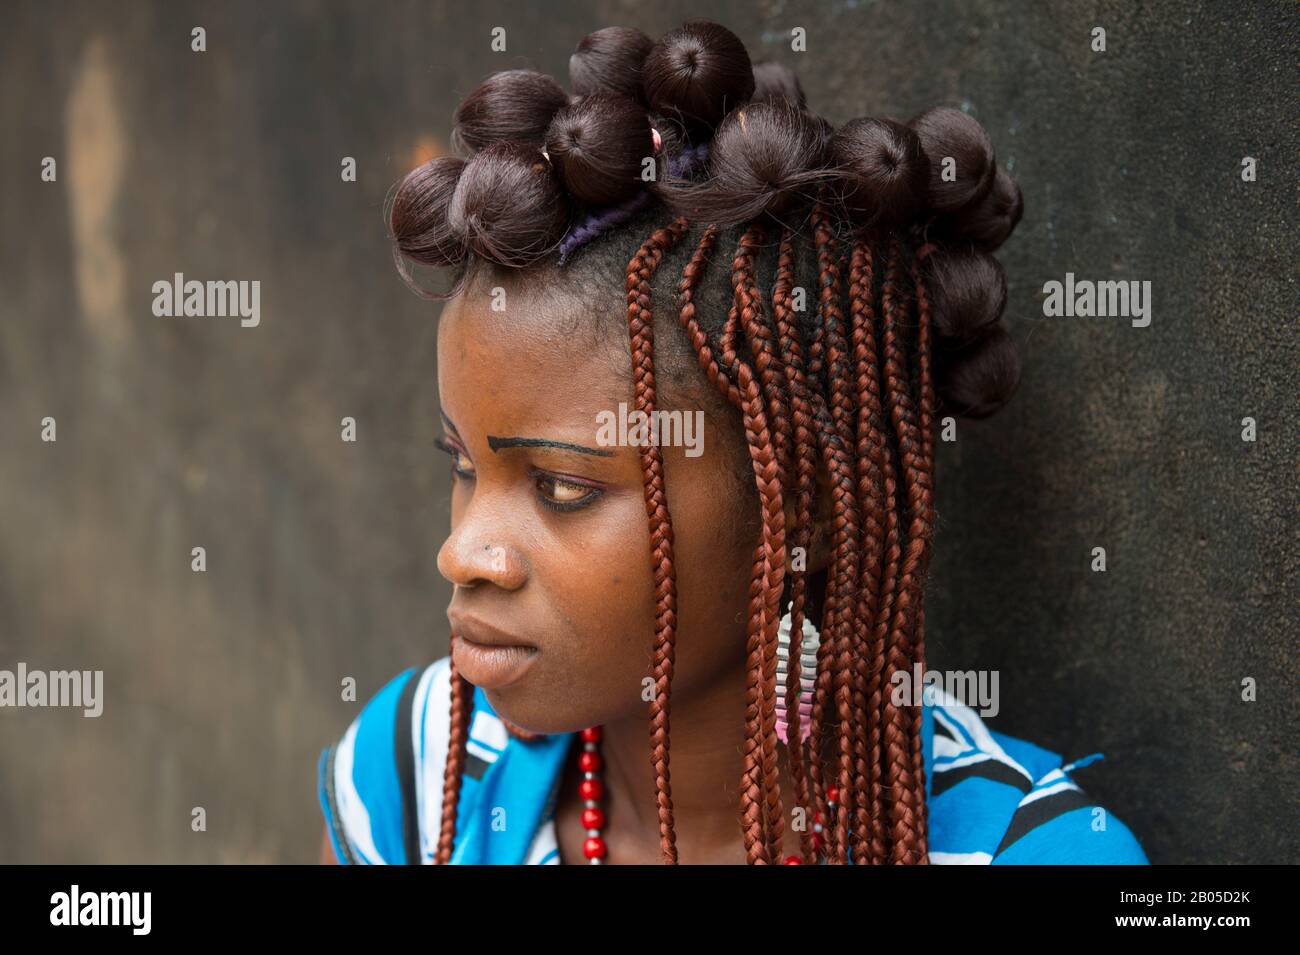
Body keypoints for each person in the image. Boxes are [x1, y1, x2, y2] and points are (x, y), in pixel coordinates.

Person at [317, 19, 1149, 865]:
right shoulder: (418, 777)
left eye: (562, 487)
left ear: (808, 505)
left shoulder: (1033, 855)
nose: (463, 551)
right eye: (464, 465)